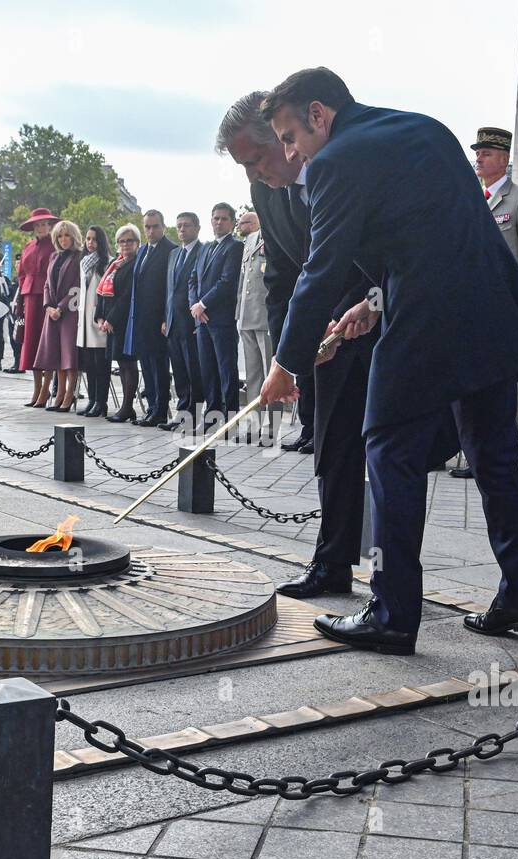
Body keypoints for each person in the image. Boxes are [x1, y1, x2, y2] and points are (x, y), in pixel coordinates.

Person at [258, 67, 518, 652]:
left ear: (319, 114)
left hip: (429, 322)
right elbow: (424, 235)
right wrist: (373, 302)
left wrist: (285, 364)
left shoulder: (334, 161)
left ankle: (393, 612)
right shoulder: (423, 128)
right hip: (491, 313)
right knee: (494, 457)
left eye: (290, 135)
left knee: (388, 449)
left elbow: (319, 272)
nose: (291, 152)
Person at [219, 87, 381, 599]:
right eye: (243, 166)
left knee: (389, 455)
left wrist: (360, 312)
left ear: (285, 138)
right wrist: (287, 359)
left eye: (258, 157)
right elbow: (284, 276)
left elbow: (352, 257)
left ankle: (392, 579)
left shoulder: (343, 165)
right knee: (332, 450)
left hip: (377, 325)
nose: (254, 174)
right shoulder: (268, 194)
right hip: (321, 342)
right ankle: (332, 565)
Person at [452, 127, 518, 479]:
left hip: (505, 312)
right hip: (471, 309)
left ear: (505, 160)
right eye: (477, 153)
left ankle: (503, 459)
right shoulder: (471, 197)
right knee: (471, 386)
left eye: (487, 153)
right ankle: (473, 456)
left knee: (503, 393)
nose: (479, 158)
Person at [190, 203, 245, 424]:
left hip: (222, 320)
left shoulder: (235, 247)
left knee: (226, 371)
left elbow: (227, 281)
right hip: (202, 320)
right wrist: (195, 305)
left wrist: (203, 304)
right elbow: (192, 279)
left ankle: (231, 420)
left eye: (223, 218)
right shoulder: (204, 248)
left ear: (232, 222)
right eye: (215, 218)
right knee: (208, 371)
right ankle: (212, 416)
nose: (219, 222)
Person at [126, 210, 177, 427]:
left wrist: (166, 317)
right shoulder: (143, 250)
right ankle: (151, 408)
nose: (151, 231)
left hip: (159, 320)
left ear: (163, 227)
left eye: (155, 226)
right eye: (147, 226)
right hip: (141, 319)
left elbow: (171, 288)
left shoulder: (171, 250)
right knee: (145, 365)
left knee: (159, 366)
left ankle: (161, 410)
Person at [160, 212, 204, 433]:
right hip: (173, 322)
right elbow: (169, 290)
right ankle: (182, 411)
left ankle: (194, 416)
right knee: (178, 370)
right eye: (178, 226)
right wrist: (165, 318)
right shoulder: (174, 254)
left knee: (193, 369)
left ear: (197, 227)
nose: (182, 230)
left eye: (186, 225)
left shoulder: (203, 251)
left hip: (191, 322)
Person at [37, 219, 83, 411]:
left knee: (69, 356)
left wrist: (61, 308)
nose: (64, 239)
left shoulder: (80, 257)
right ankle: (59, 394)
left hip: (70, 311)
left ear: (74, 237)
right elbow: (47, 284)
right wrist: (48, 306)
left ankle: (69, 395)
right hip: (52, 312)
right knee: (55, 354)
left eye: (67, 235)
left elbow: (78, 285)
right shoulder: (54, 257)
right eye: (60, 236)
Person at [17, 208, 60, 404]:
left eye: (44, 224)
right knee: (32, 345)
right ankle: (36, 389)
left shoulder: (56, 246)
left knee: (47, 344)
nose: (41, 227)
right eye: (37, 224)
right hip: (29, 298)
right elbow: (21, 275)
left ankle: (46, 389)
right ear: (33, 227)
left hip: (47, 298)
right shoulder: (28, 247)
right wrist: (19, 300)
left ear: (50, 226)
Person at [236, 211, 272, 422]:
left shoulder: (274, 237)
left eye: (247, 221)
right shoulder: (249, 241)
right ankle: (253, 423)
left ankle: (271, 426)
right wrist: (238, 312)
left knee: (271, 374)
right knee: (253, 375)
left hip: (266, 315)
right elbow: (243, 280)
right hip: (247, 315)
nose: (243, 225)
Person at [102, 224, 141, 422]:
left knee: (128, 363)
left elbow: (126, 296)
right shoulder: (116, 264)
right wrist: (101, 316)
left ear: (137, 243)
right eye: (122, 241)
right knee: (121, 363)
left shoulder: (135, 264)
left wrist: (111, 318)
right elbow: (105, 293)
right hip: (112, 322)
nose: (125, 244)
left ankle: (127, 407)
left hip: (126, 321)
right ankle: (126, 407)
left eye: (129, 240)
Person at [77, 226, 112, 418]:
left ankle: (101, 402)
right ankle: (92, 400)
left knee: (101, 364)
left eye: (94, 239)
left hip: (99, 320)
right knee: (89, 363)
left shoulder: (107, 263)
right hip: (84, 321)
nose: (90, 243)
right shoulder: (83, 262)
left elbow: (108, 294)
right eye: (88, 239)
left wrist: (103, 316)